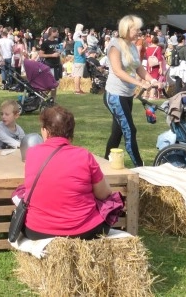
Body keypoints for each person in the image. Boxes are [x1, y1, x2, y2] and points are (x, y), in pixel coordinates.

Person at [21, 106, 112, 240]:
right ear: (71, 132)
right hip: (83, 230)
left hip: (37, 230)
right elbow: (104, 193)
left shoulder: (32, 153)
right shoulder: (84, 156)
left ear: (45, 131)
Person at [103, 15, 156, 167]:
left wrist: (151, 80)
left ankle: (106, 163)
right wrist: (139, 83)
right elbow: (118, 71)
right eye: (136, 29)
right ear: (126, 29)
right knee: (130, 130)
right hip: (115, 95)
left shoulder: (132, 46)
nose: (139, 32)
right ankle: (140, 168)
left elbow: (138, 67)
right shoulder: (115, 46)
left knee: (118, 132)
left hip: (126, 95)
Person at [39, 27, 62, 101]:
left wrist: (60, 63)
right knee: (51, 84)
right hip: (49, 65)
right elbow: (41, 55)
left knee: (55, 84)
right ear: (52, 32)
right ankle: (41, 97)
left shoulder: (56, 42)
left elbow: (58, 53)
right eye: (56, 32)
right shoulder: (45, 43)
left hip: (57, 65)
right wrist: (52, 55)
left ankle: (53, 100)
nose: (58, 33)